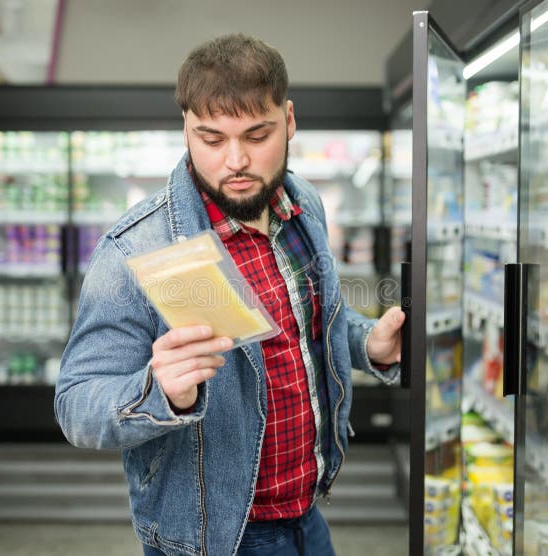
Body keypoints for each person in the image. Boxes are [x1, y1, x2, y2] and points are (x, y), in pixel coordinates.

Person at [54, 33, 406, 556]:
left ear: (289, 121)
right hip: (214, 538)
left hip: (308, 516)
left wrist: (366, 345)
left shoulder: (301, 203)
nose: (235, 161)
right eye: (212, 139)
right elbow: (76, 406)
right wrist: (160, 391)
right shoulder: (133, 249)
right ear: (187, 130)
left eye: (256, 134)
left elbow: (305, 321)